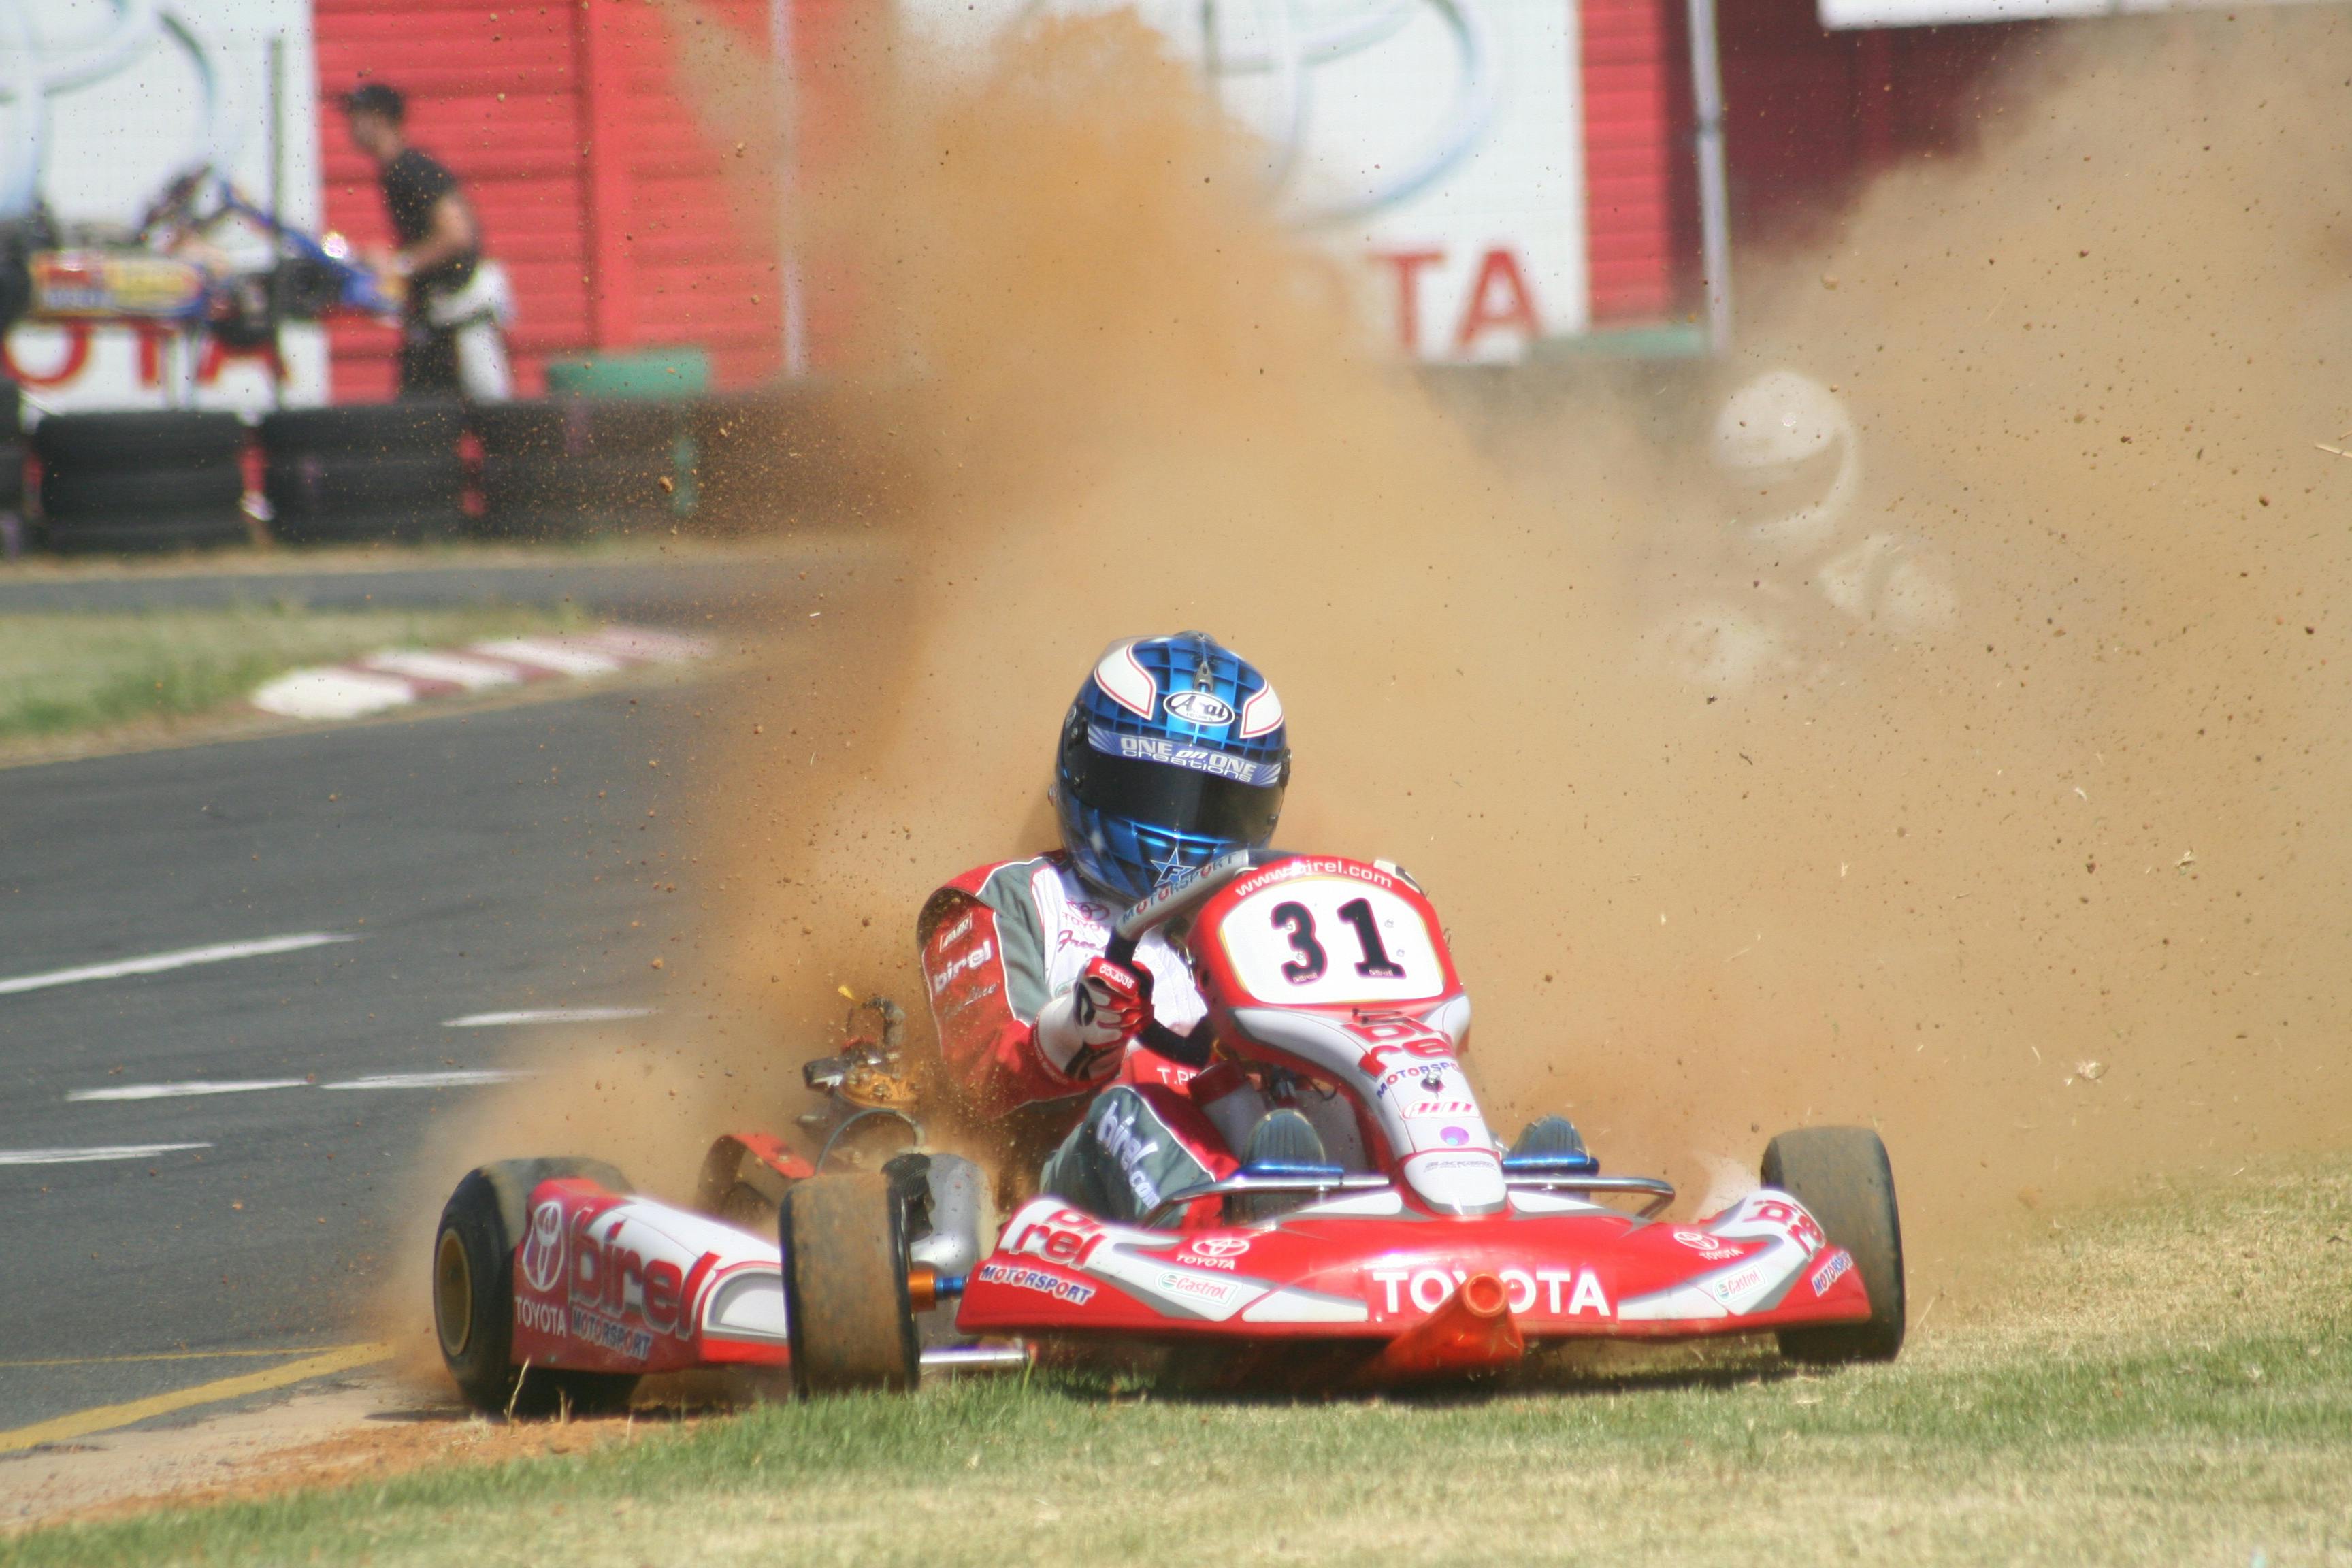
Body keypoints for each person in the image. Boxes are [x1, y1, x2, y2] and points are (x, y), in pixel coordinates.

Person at [916, 632, 1330, 1227]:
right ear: (1085, 767)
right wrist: (1073, 1032)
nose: (1178, 830)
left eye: (1213, 802)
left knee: (1338, 1091)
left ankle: (1475, 1191)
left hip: (1259, 1148)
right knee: (1130, 1102)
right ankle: (1226, 1234)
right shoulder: (1006, 899)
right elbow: (979, 1083)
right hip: (1064, 1192)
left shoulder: (1274, 912)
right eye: (1150, 791)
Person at [340, 82, 513, 401]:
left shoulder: (411, 169)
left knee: (491, 417)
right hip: (436, 320)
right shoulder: (396, 172)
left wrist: (398, 265)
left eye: (356, 116)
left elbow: (456, 234)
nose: (349, 126)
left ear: (378, 120)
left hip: (461, 316)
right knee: (417, 422)